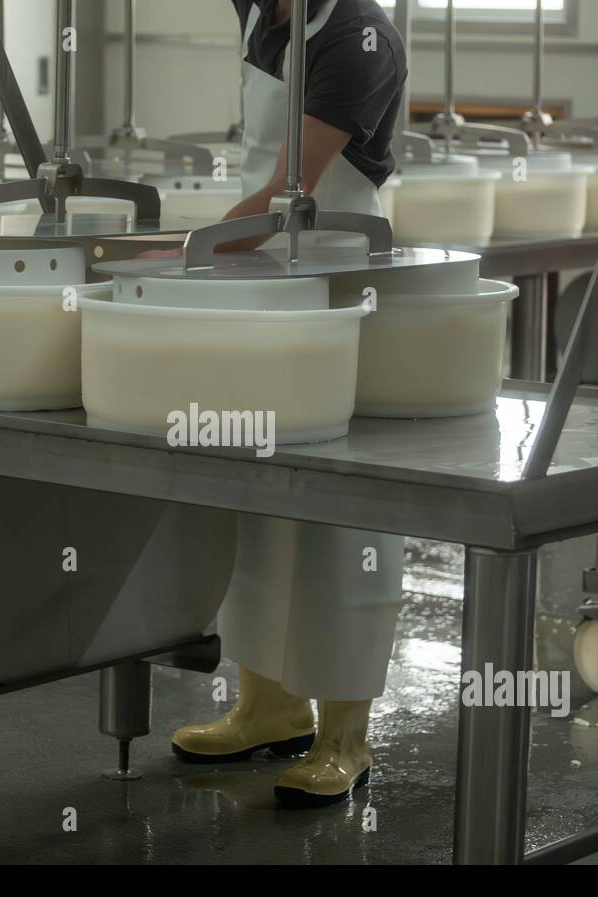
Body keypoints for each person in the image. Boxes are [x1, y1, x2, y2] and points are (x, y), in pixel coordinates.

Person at [170, 0, 408, 807]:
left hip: (340, 271)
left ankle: (345, 735)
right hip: (263, 274)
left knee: (343, 512)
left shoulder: (357, 38)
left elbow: (286, 193)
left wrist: (179, 257)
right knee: (258, 491)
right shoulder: (260, 9)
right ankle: (267, 706)